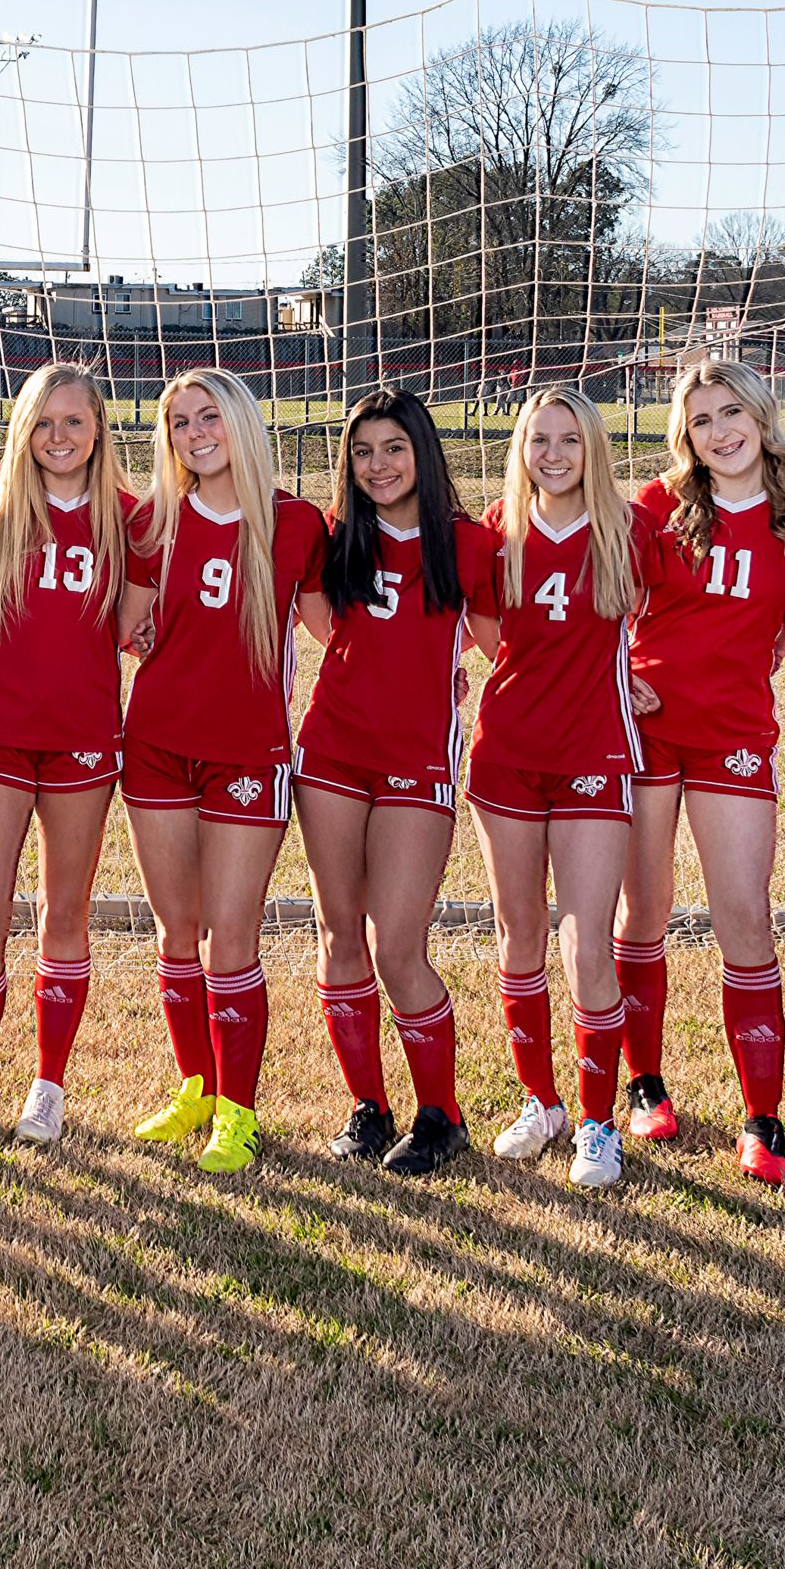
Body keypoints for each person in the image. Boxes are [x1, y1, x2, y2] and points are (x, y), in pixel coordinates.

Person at [118, 366, 326, 1176]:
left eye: (208, 417)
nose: (196, 434)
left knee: (230, 938)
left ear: (239, 422)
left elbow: (334, 631)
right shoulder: (150, 520)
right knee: (177, 932)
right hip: (158, 746)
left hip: (249, 752)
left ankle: (238, 1112)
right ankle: (196, 1087)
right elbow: (128, 629)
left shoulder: (298, 522)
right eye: (179, 422)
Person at [617, 358, 785, 1183]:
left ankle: (763, 1119)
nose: (720, 431)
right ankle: (645, 1085)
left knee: (744, 916)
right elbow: (605, 604)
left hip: (735, 734)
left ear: (761, 416)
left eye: (731, 412)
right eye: (701, 420)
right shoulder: (655, 508)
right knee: (646, 908)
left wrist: (752, 663)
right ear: (684, 435)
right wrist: (619, 678)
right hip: (647, 731)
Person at [0, 363, 151, 1147]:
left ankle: (48, 1087)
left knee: (63, 915)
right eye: (43, 422)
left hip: (85, 740)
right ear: (22, 430)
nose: (58, 437)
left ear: (99, 428)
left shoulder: (130, 520)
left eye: (74, 422)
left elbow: (140, 630)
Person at [294, 387, 497, 1177]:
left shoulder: (468, 543)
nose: (377, 465)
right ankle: (368, 1109)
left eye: (393, 448)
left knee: (397, 947)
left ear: (422, 452)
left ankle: (440, 1115)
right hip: (332, 753)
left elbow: (501, 642)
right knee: (340, 933)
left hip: (416, 760)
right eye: (363, 451)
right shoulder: (336, 537)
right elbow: (318, 621)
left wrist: (443, 674)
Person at [468, 388, 661, 1190]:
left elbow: (658, 615)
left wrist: (633, 678)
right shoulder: (495, 528)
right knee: (518, 934)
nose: (553, 454)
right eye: (539, 440)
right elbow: (485, 635)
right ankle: (540, 1101)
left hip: (595, 754)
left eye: (569, 441)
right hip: (507, 754)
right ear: (522, 447)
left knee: (587, 944)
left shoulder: (628, 527)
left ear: (593, 449)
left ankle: (594, 1122)